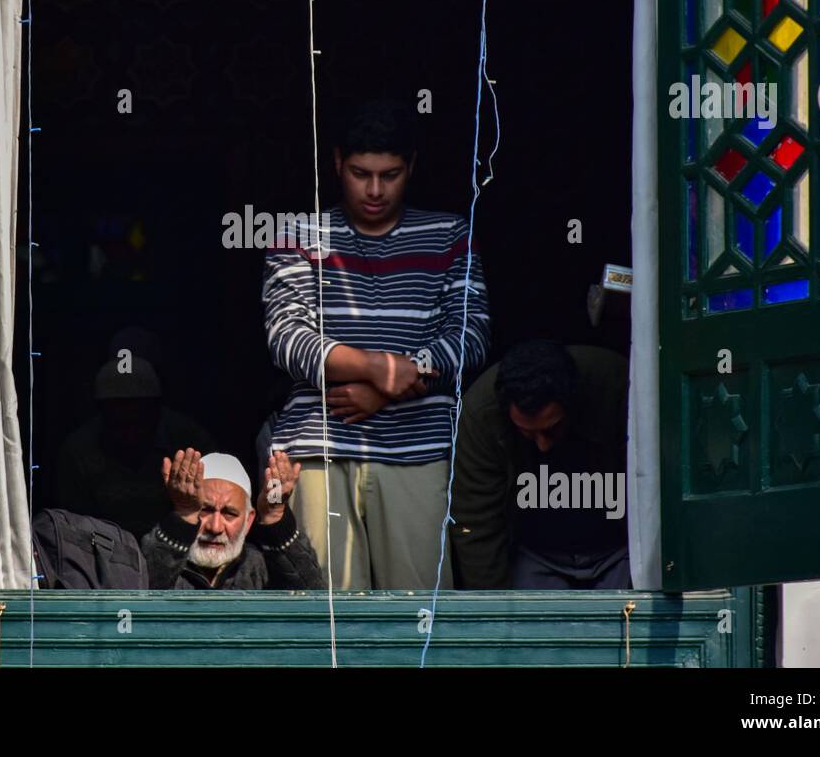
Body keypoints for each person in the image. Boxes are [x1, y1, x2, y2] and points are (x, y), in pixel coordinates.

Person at [262, 100, 491, 589]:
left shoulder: (449, 233)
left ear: (411, 166)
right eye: (360, 173)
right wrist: (377, 368)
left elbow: (470, 335)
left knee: (419, 613)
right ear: (337, 162)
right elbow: (286, 337)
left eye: (389, 175)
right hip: (319, 446)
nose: (373, 190)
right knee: (327, 612)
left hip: (419, 448)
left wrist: (388, 387)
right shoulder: (298, 235)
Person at [451, 340, 631, 589]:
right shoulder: (481, 416)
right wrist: (494, 611)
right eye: (528, 432)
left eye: (551, 428)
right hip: (533, 555)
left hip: (619, 550)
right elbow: (477, 523)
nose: (543, 445)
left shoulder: (616, 388)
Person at [52, 356, 214, 539]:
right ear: (102, 413)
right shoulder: (79, 450)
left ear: (156, 411)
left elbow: (214, 510)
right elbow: (72, 525)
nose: (130, 434)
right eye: (119, 424)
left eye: (139, 422)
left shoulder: (187, 440)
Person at [141, 449, 325, 589]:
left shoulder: (260, 567)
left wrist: (274, 515)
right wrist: (184, 515)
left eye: (229, 513)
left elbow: (314, 597)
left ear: (249, 520)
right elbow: (140, 594)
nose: (215, 527)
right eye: (204, 510)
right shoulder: (163, 559)